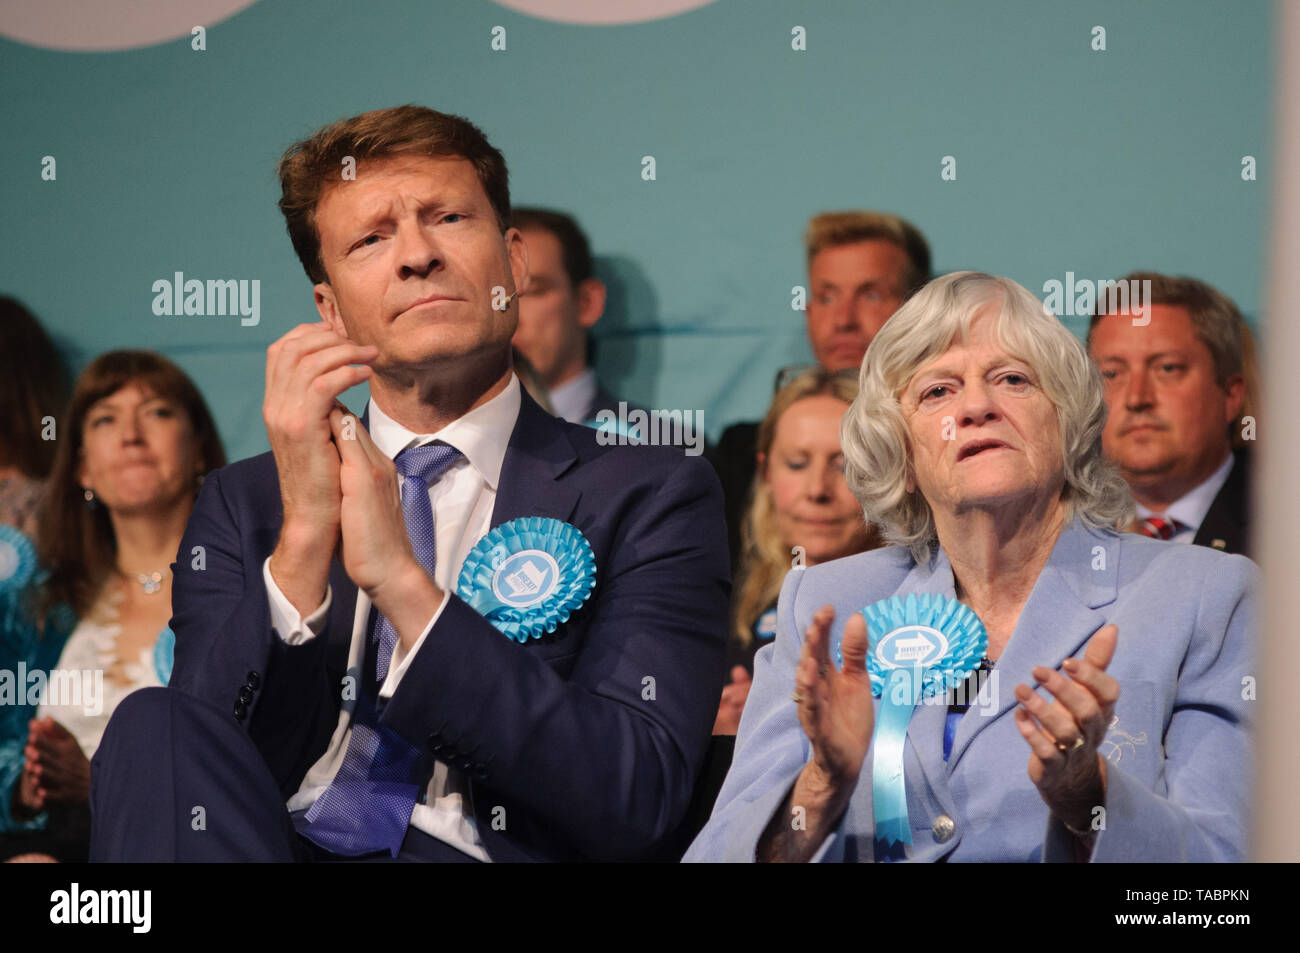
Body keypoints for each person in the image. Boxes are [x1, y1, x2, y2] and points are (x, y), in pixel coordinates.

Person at [89, 105, 730, 863]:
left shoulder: (650, 491)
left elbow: (637, 793)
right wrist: (302, 541)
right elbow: (193, 781)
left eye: (448, 217)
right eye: (371, 239)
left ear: (514, 263)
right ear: (329, 308)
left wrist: (403, 585)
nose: (416, 256)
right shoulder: (246, 504)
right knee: (150, 722)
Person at [686, 272, 1255, 862]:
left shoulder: (1206, 597)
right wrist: (821, 785)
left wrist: (1091, 800)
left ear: (1068, 428)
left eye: (1013, 380)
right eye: (937, 392)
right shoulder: (826, 607)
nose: (977, 406)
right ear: (901, 454)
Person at [1, 351, 224, 862]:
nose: (130, 435)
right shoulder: (35, 604)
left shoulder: (250, 595)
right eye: (105, 419)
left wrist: (98, 781)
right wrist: (27, 785)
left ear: (199, 454)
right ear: (82, 467)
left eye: (158, 412)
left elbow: (260, 765)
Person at [709, 211, 931, 568]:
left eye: (870, 295)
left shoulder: (944, 446)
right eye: (827, 298)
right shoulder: (740, 453)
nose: (843, 320)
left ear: (916, 313)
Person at [715, 368, 879, 736]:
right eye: (797, 464)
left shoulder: (924, 612)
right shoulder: (725, 609)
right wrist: (722, 740)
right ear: (766, 472)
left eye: (844, 465)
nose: (818, 490)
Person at [1088, 273, 1254, 556]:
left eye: (1167, 368)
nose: (1137, 398)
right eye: (1112, 373)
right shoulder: (1055, 526)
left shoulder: (1282, 518)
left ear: (1230, 394)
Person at [511, 208, 632, 428]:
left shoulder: (662, 450)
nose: (506, 317)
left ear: (587, 303)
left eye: (532, 291)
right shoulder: (438, 449)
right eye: (493, 295)